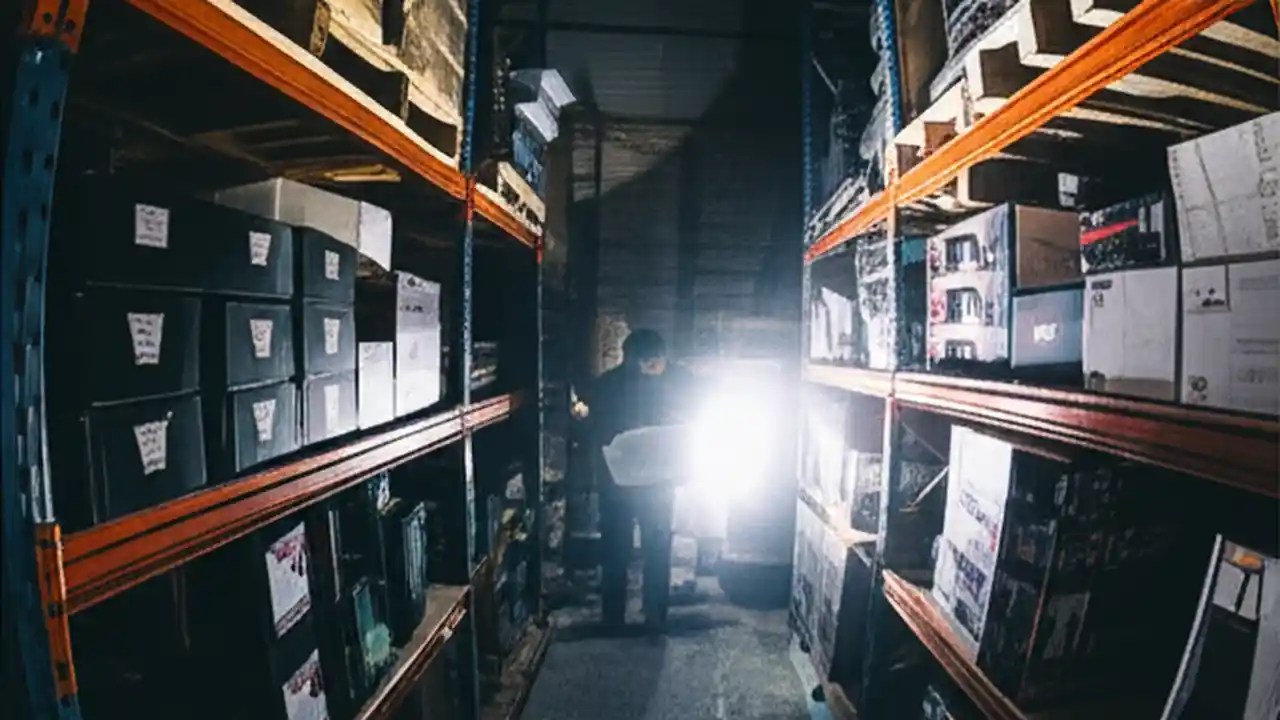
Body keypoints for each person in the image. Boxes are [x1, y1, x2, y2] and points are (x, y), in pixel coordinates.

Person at [573, 329, 692, 630]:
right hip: (636, 485)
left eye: (657, 363)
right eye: (652, 362)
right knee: (638, 548)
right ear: (638, 360)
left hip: (635, 484)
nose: (654, 368)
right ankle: (640, 616)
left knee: (631, 548)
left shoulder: (611, 385)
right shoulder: (621, 386)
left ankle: (630, 617)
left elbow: (591, 429)